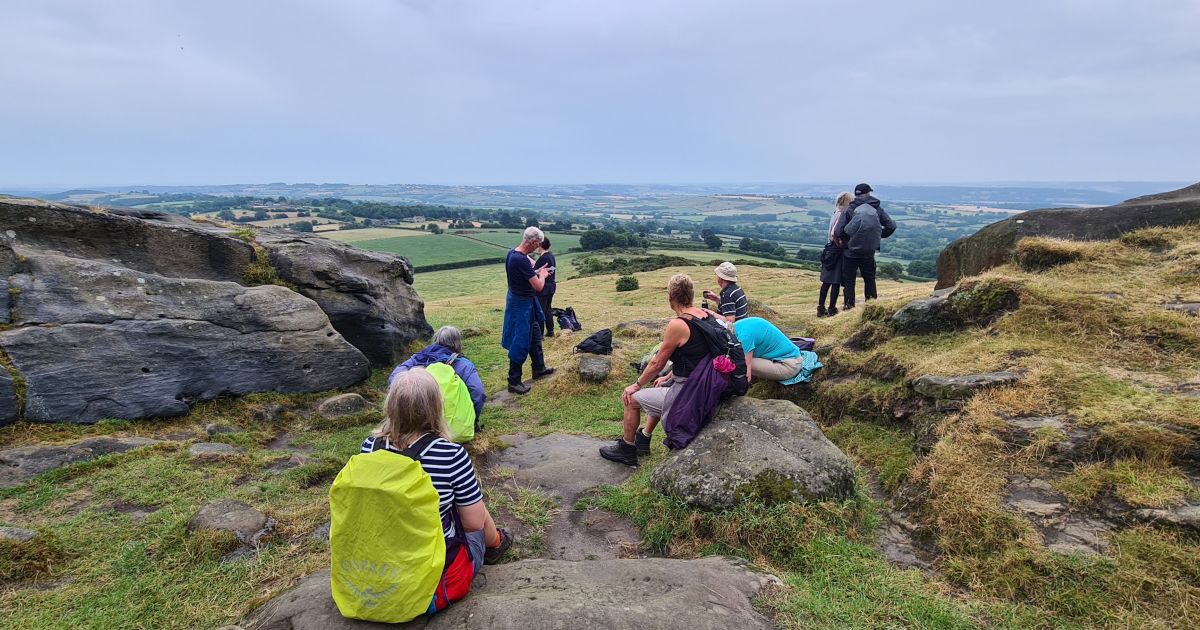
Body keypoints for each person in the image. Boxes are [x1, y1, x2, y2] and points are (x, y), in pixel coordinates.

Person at [359, 369, 513, 604]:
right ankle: (496, 544)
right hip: (433, 575)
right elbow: (473, 523)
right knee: (474, 506)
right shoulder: (450, 454)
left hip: (382, 560)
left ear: (390, 406)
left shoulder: (370, 447)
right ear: (436, 407)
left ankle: (495, 541)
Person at [600, 274, 713, 466]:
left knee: (630, 399)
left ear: (670, 297)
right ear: (692, 295)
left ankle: (627, 449)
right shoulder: (705, 315)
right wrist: (669, 376)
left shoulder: (679, 324)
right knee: (659, 384)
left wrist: (636, 385)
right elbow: (696, 356)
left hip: (688, 392)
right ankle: (644, 438)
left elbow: (657, 363)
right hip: (705, 384)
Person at [388, 325, 486, 431]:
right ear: (458, 343)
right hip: (451, 426)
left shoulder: (418, 359)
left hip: (417, 423)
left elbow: (394, 377)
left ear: (436, 340)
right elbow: (478, 392)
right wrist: (472, 420)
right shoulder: (464, 365)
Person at [501, 226, 555, 394]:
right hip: (521, 305)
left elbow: (523, 275)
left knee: (535, 333)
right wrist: (543, 275)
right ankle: (514, 380)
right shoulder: (521, 259)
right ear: (532, 242)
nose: (537, 247)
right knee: (520, 340)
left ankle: (539, 368)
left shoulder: (512, 253)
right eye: (537, 243)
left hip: (524, 302)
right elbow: (538, 286)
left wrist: (536, 271)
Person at [835, 183, 896, 309]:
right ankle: (871, 307)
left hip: (850, 252)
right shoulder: (876, 208)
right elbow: (891, 226)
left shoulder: (850, 208)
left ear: (856, 194)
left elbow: (839, 231)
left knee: (849, 282)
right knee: (869, 279)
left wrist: (848, 241)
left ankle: (848, 307)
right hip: (868, 251)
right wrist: (879, 235)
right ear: (868, 193)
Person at [731, 317, 805, 384]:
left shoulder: (744, 337)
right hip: (793, 356)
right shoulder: (740, 325)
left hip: (789, 366)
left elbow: (747, 373)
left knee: (740, 362)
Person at [818, 192, 853, 317]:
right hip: (837, 250)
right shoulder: (842, 215)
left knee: (826, 281)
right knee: (835, 281)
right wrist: (840, 245)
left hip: (829, 250)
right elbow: (834, 233)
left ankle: (820, 308)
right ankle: (831, 308)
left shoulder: (835, 213)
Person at [532, 237, 557, 337]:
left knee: (540, 310)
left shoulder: (542, 258)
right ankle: (550, 331)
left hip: (543, 287)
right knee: (547, 309)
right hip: (551, 286)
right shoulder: (551, 256)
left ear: (540, 245)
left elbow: (533, 272)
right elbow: (551, 269)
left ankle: (540, 334)